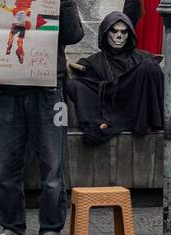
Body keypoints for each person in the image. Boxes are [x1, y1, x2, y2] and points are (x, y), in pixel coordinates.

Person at [0, 0, 83, 235]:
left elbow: (74, 35)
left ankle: (51, 231)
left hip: (48, 91)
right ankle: (12, 230)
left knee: (52, 166)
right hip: (10, 92)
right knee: (7, 166)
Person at [66, 11, 163, 146]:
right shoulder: (93, 62)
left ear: (129, 34)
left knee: (149, 66)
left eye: (124, 32)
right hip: (109, 107)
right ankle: (100, 122)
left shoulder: (143, 58)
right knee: (73, 84)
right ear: (106, 33)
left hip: (135, 107)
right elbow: (87, 84)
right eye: (114, 31)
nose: (119, 36)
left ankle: (143, 122)